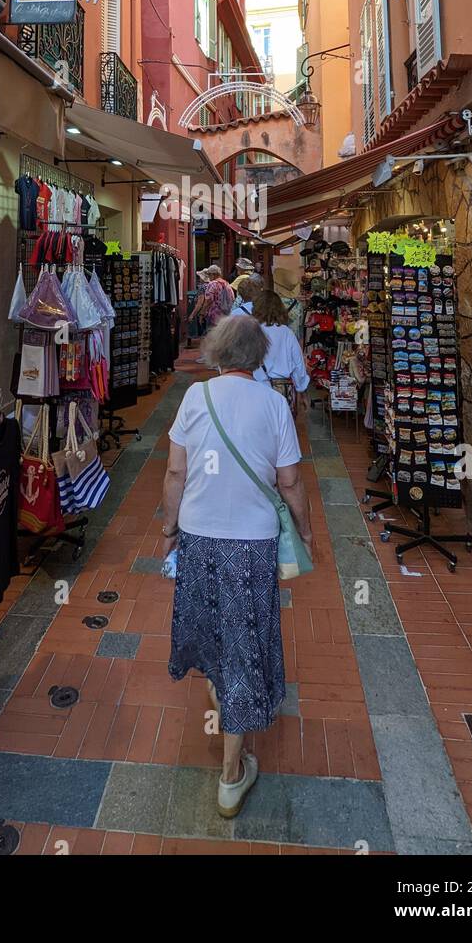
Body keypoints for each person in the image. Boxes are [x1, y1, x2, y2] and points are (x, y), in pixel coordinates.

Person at [161, 314, 312, 817]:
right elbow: (289, 481)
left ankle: (220, 691)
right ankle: (231, 775)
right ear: (259, 356)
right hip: (252, 544)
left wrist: (168, 528)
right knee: (245, 643)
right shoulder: (273, 405)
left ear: (218, 353)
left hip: (200, 537)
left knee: (211, 627)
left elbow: (176, 470)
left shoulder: (195, 398)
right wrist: (305, 532)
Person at [252, 288, 310, 419]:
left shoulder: (251, 332)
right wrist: (302, 391)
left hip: (257, 389)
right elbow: (298, 364)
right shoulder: (286, 333)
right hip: (283, 391)